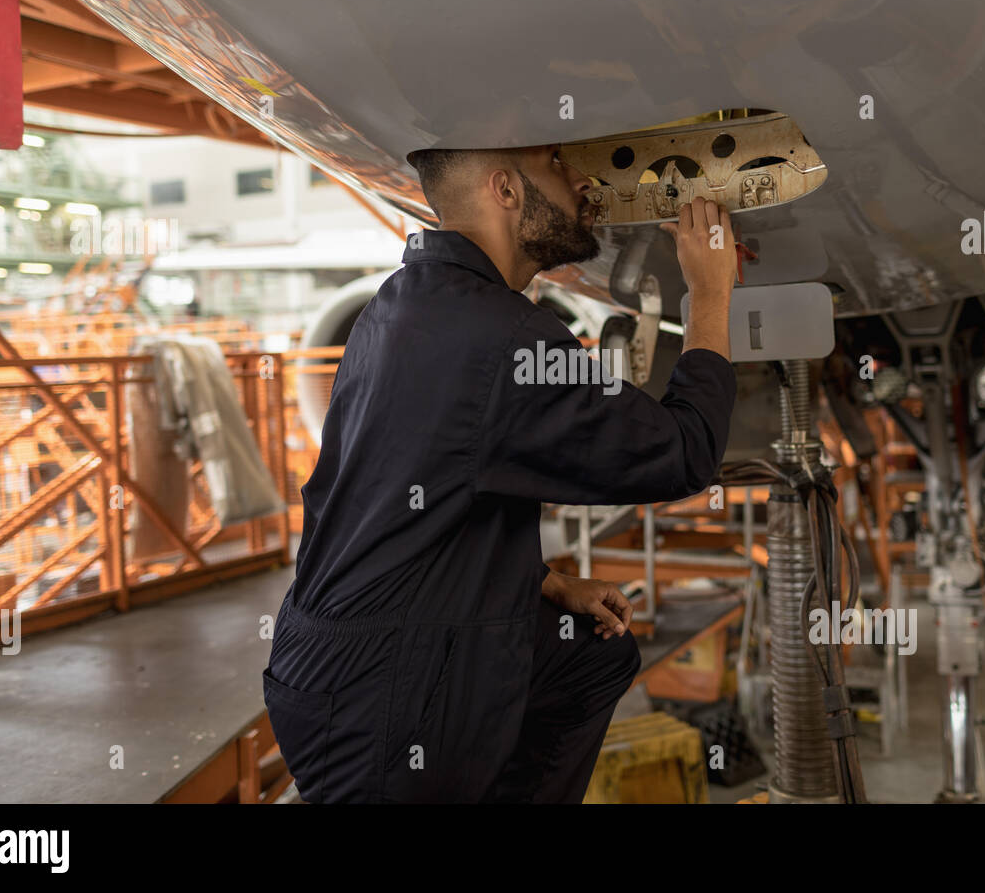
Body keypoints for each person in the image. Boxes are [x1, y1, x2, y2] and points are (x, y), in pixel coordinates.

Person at [264, 143, 738, 802]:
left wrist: (542, 582)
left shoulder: (403, 301)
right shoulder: (504, 336)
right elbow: (685, 454)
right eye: (556, 165)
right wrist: (711, 295)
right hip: (385, 698)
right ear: (507, 192)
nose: (581, 180)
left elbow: (409, 489)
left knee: (590, 658)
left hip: (340, 658)